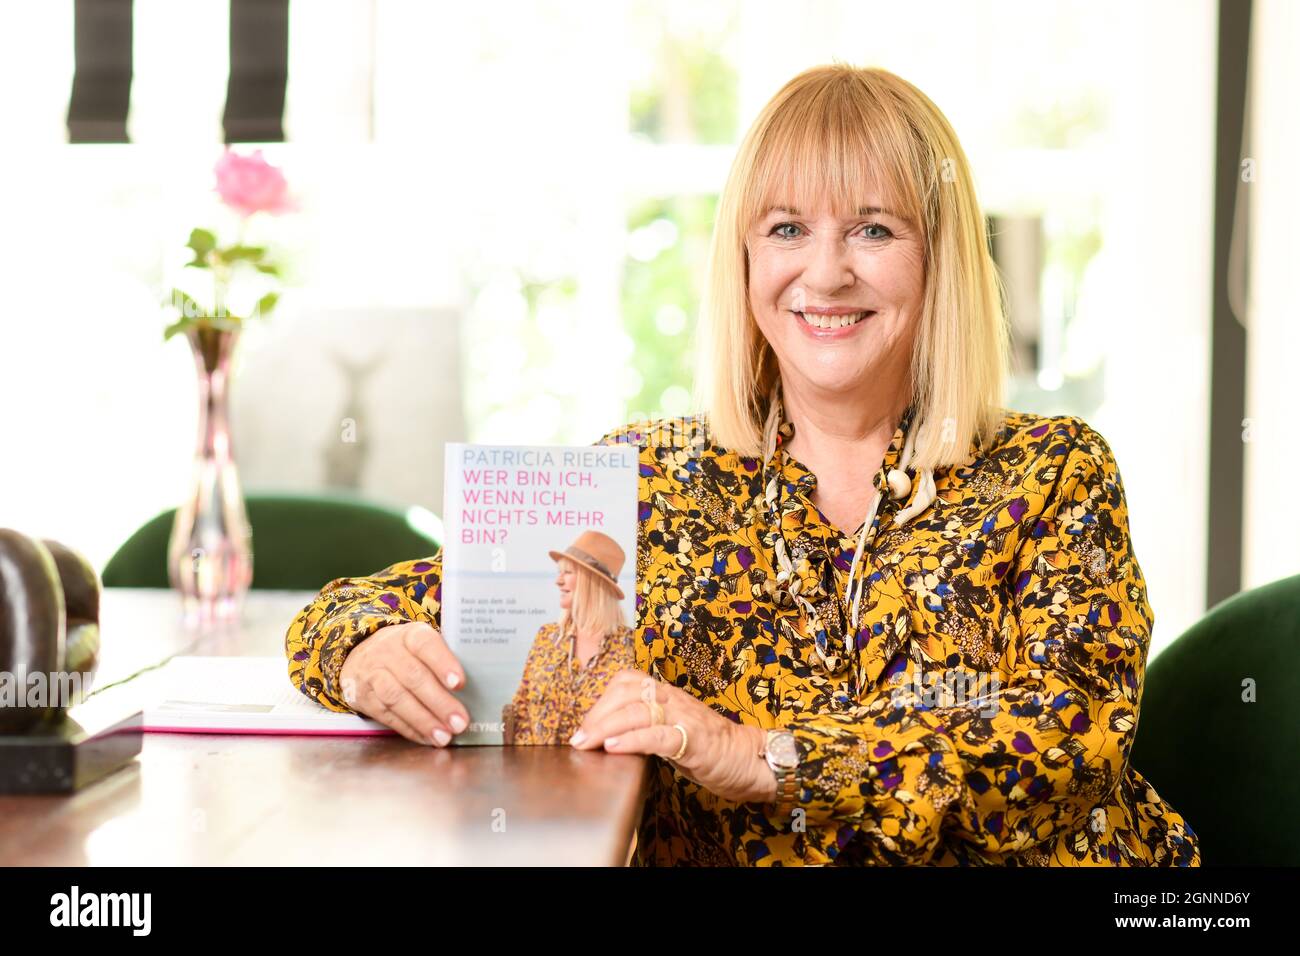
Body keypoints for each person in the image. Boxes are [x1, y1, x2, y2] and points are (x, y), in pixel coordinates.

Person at [285, 63, 1200, 866]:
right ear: (746, 257)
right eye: (789, 228)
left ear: (941, 259)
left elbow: (1067, 740)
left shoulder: (1054, 471)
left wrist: (761, 755)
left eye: (875, 230)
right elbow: (366, 606)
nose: (828, 273)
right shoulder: (644, 477)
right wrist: (362, 650)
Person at [501, 531, 635, 745]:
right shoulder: (547, 636)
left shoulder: (630, 648)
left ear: (592, 580)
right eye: (559, 572)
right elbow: (521, 707)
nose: (558, 581)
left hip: (602, 775)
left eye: (568, 572)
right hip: (536, 771)